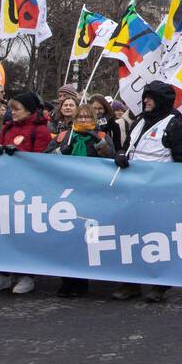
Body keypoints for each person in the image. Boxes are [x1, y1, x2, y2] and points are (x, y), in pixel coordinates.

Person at [111, 81, 182, 302]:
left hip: (160, 196)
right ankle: (131, 282)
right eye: (145, 96)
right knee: (132, 237)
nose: (145, 100)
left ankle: (160, 284)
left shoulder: (175, 127)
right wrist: (120, 155)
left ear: (162, 101)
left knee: (159, 240)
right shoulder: (138, 121)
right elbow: (127, 147)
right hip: (133, 193)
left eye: (151, 97)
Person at [45, 102, 118, 297]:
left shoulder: (102, 137)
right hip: (67, 194)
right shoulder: (64, 137)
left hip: (91, 194)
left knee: (85, 238)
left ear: (94, 120)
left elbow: (111, 160)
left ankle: (82, 279)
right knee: (66, 237)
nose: (83, 120)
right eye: (80, 117)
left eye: (88, 117)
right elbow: (45, 160)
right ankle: (67, 280)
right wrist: (62, 151)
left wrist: (101, 147)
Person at [0, 92, 52, 296]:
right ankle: (3, 273)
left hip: (28, 189)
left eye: (17, 109)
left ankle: (26, 274)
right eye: (11, 108)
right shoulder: (7, 128)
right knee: (4, 231)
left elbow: (41, 160)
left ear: (30, 110)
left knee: (25, 232)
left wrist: (21, 154)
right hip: (5, 186)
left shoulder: (40, 130)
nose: (12, 112)